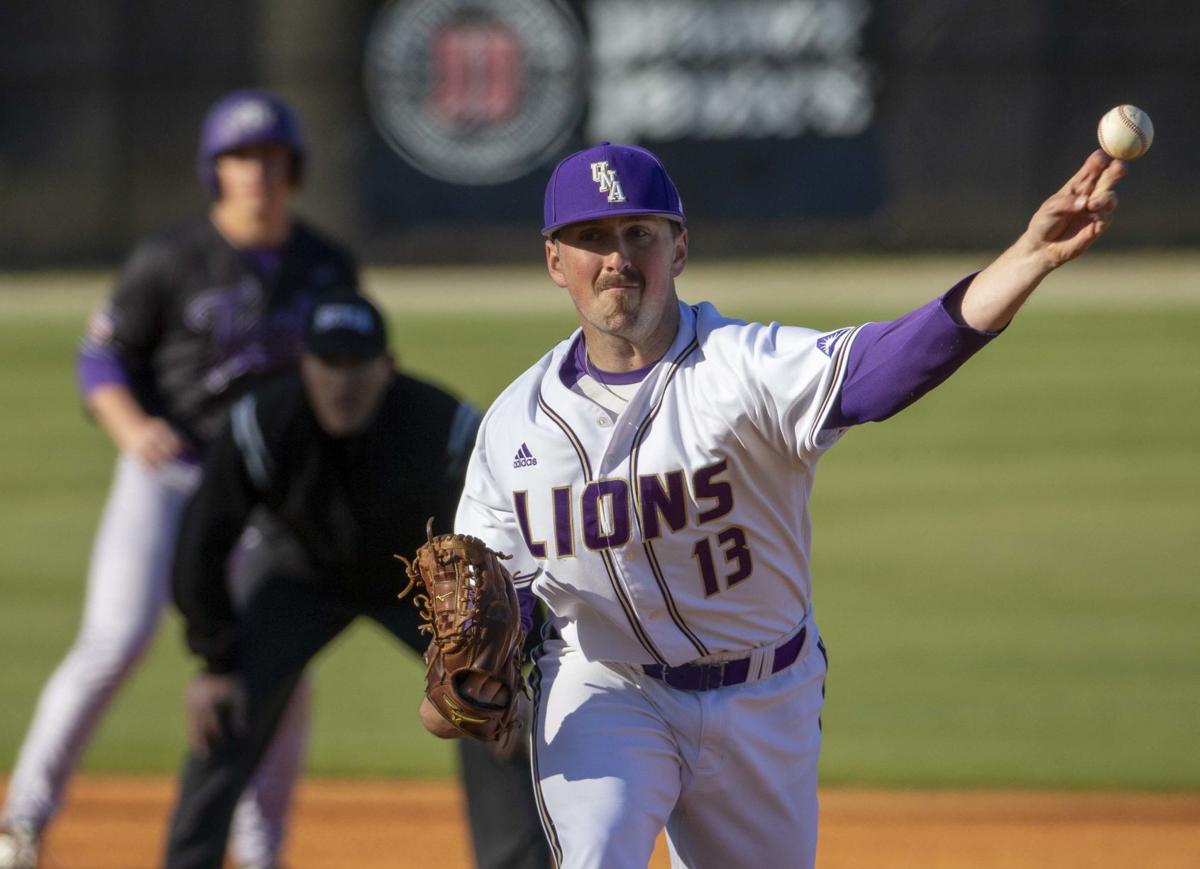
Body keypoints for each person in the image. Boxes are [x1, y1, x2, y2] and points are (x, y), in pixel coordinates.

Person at [436, 141, 1127, 868]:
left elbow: (882, 371)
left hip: (764, 697)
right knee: (598, 853)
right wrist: (466, 682)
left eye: (640, 234)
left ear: (679, 248)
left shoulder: (742, 367)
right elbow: (492, 595)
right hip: (609, 687)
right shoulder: (515, 426)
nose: (617, 257)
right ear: (555, 261)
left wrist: (1024, 258)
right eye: (593, 238)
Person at [0, 89, 358, 869]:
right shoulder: (168, 259)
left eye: (269, 158)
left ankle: (261, 849)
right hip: (169, 480)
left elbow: (355, 370)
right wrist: (131, 427)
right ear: (214, 171)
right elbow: (100, 357)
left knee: (279, 667)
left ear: (292, 168)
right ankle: (21, 819)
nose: (255, 174)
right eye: (239, 159)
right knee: (115, 638)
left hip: (269, 499)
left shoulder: (325, 266)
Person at [163, 293, 550, 869]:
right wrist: (214, 660)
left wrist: (503, 663)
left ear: (386, 367)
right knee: (226, 706)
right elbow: (202, 538)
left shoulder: (442, 427)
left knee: (488, 706)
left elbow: (509, 539)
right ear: (304, 366)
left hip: (427, 589)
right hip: (302, 576)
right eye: (328, 363)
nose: (342, 382)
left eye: (357, 364)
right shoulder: (264, 423)